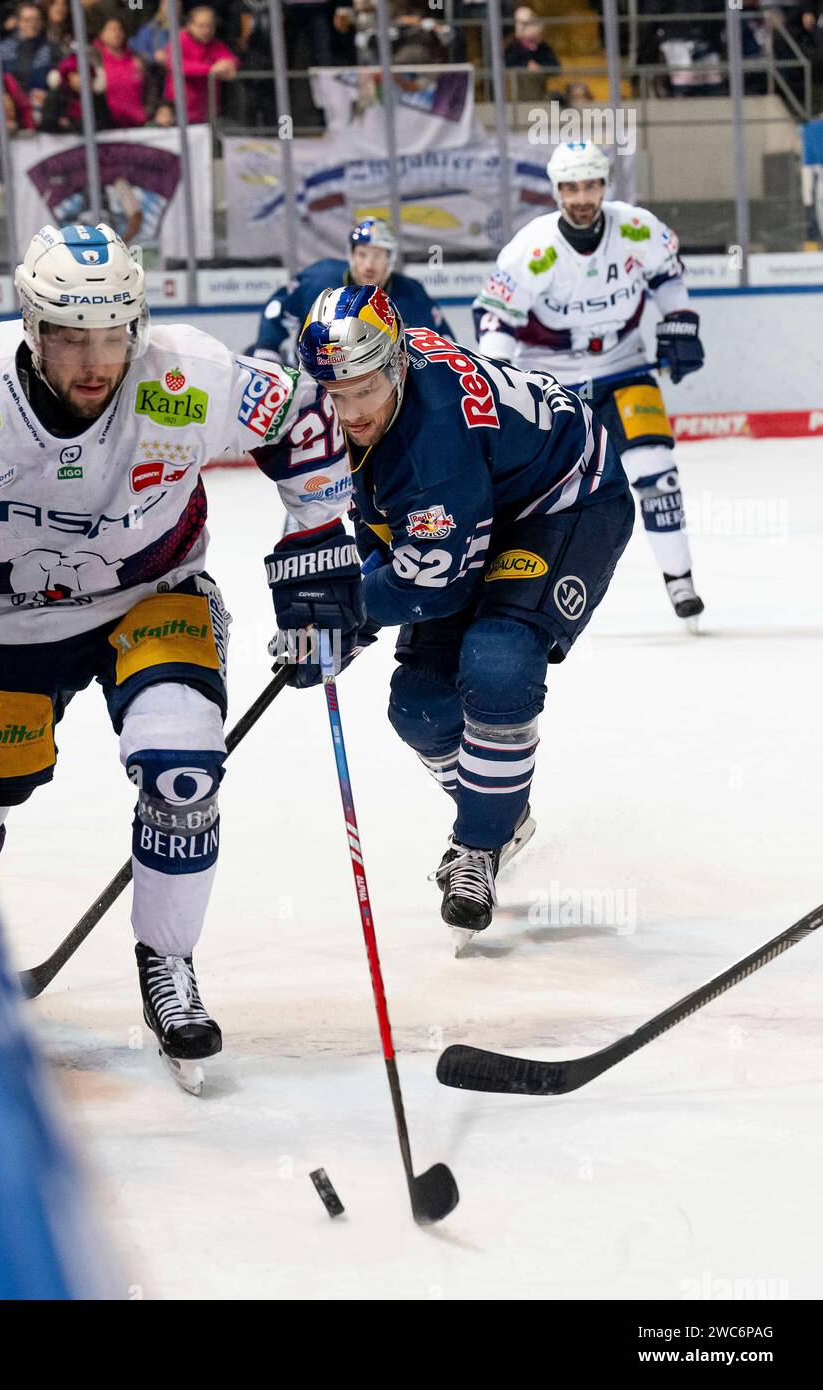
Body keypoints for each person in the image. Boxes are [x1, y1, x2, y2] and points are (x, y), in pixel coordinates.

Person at [0, 223, 353, 1093]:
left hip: (155, 598)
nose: (94, 361)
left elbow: (304, 419)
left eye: (112, 334)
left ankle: (170, 968)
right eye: (71, 337)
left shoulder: (186, 373)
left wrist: (318, 554)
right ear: (32, 329)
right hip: (10, 622)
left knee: (183, 771)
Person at [294, 283, 634, 948]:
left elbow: (435, 582)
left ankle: (478, 846)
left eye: (364, 389)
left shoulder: (434, 440)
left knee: (498, 659)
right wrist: (339, 616)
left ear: (394, 367)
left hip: (564, 503)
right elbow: (381, 525)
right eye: (335, 394)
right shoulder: (366, 406)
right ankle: (501, 810)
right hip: (475, 507)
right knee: (418, 706)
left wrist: (348, 618)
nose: (351, 411)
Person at [473, 140, 707, 627]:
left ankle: (680, 579)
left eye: (590, 185)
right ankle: (504, 589)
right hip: (552, 379)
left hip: (625, 367)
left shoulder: (638, 228)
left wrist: (681, 320)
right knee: (533, 491)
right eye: (571, 187)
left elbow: (668, 275)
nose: (582, 197)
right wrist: (499, 382)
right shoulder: (531, 249)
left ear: (604, 185)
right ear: (557, 191)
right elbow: (496, 318)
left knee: (656, 469)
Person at [247, 217, 452, 365]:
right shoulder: (320, 279)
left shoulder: (411, 294)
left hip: (375, 389)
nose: (369, 264)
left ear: (390, 259)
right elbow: (278, 308)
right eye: (362, 254)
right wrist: (268, 345)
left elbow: (442, 346)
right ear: (351, 255)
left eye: (378, 255)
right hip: (309, 373)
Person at [160, 5, 239, 125]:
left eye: (210, 26)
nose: (206, 30)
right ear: (190, 25)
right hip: (179, 113)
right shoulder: (180, 40)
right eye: (201, 26)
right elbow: (176, 65)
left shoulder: (215, 44)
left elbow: (231, 60)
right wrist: (210, 69)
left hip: (207, 113)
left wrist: (229, 66)